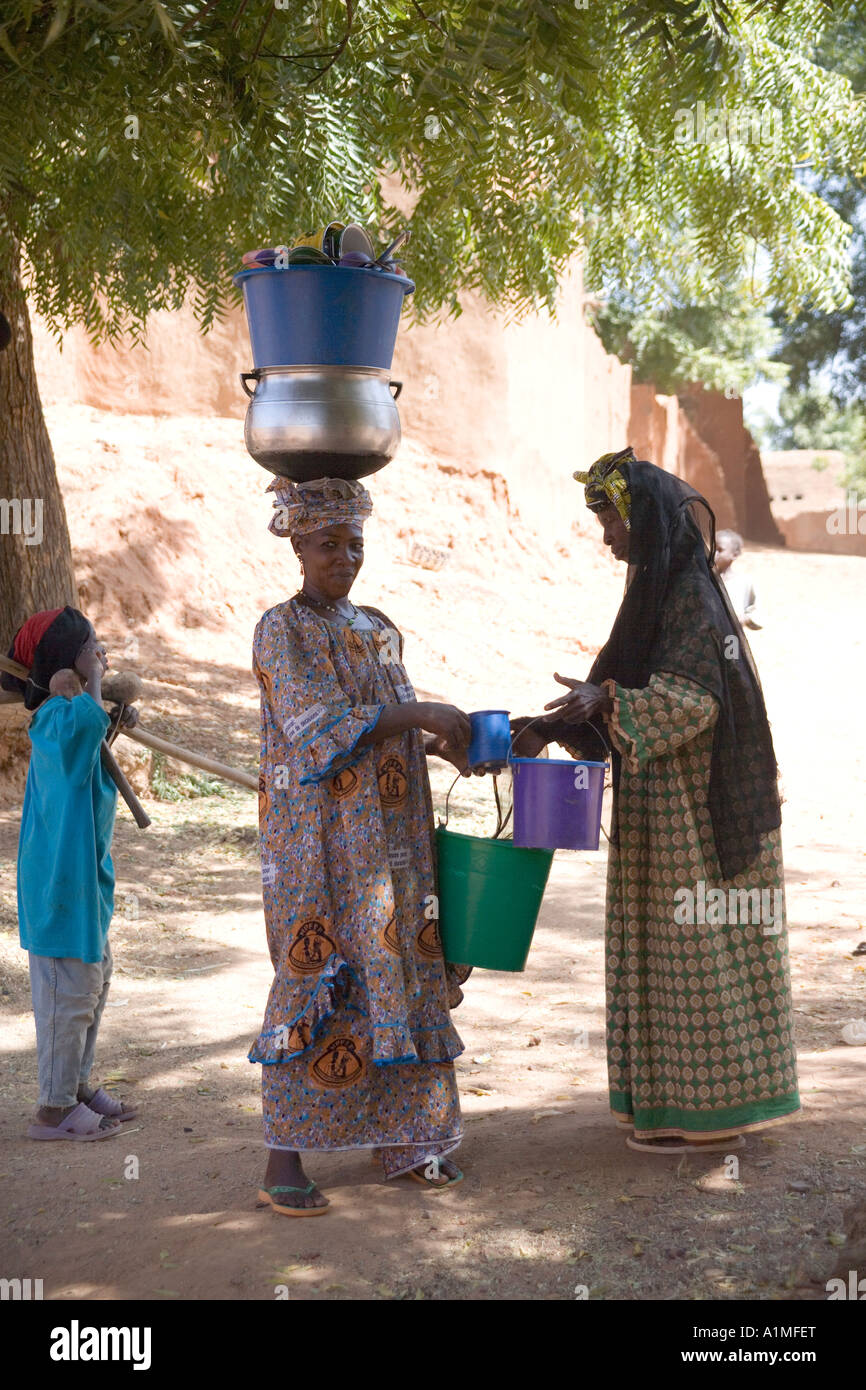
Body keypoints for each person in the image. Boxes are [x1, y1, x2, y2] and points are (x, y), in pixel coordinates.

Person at [512, 447, 800, 1154]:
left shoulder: (693, 600)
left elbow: (693, 700)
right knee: (662, 953)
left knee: (697, 956)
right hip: (658, 811)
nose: (607, 535)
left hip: (700, 817)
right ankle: (667, 1106)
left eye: (613, 521)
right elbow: (630, 692)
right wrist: (557, 722)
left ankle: (717, 1112)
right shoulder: (654, 596)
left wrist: (606, 698)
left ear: (649, 523)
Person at [250, 476, 472, 1216]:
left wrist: (445, 746)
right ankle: (284, 1159)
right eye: (326, 544)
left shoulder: (377, 624)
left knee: (401, 966)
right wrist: (426, 711)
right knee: (319, 968)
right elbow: (320, 728)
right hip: (320, 842)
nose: (343, 557)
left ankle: (410, 1140)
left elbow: (386, 725)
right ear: (297, 545)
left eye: (354, 543)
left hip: (393, 838)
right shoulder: (281, 629)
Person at [1, 607, 139, 1140]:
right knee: (67, 995)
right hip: (59, 886)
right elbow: (79, 737)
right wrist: (98, 686)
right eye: (91, 649)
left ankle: (77, 1085)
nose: (100, 655)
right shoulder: (56, 721)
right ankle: (53, 1109)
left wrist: (107, 709)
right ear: (66, 660)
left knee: (93, 981)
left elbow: (91, 749)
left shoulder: (75, 714)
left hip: (83, 886)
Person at [714, 529, 761, 629]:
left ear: (734, 555)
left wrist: (746, 618)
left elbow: (757, 609)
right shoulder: (706, 580)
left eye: (720, 550)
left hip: (731, 636)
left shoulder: (743, 582)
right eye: (713, 548)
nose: (715, 553)